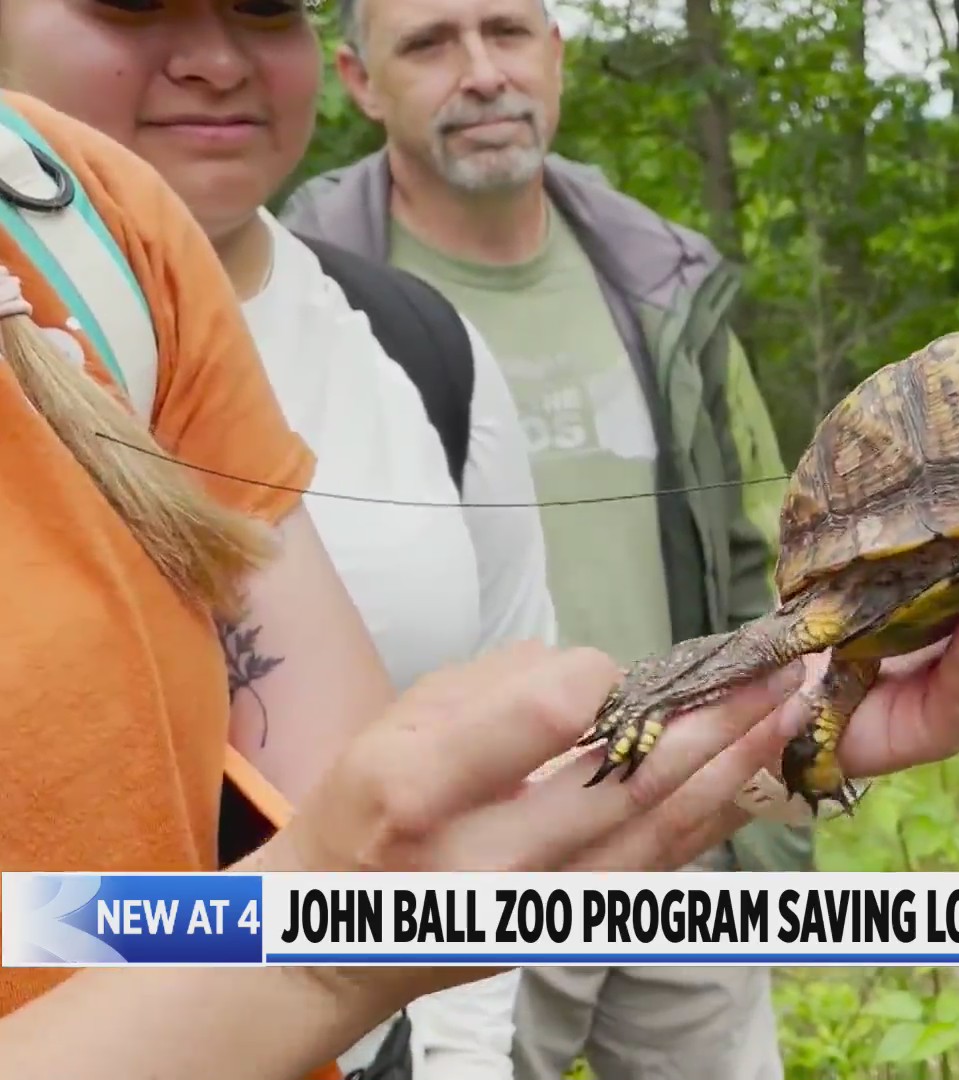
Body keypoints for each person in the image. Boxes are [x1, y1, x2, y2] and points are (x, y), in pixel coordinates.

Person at [0, 67, 959, 1077]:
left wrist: (756, 737)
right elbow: (338, 906)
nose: (211, 55)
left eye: (267, 12)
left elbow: (369, 869)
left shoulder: (102, 234)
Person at [0, 2, 560, 1075]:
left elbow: (424, 817)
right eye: (133, 4)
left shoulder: (417, 342)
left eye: (266, 9)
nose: (216, 63)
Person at [277, 0, 810, 1073]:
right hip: (445, 864)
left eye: (509, 32)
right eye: (430, 42)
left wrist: (765, 810)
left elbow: (760, 552)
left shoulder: (663, 283)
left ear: (556, 54)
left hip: (682, 832)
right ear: (359, 80)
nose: (481, 72)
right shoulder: (291, 295)